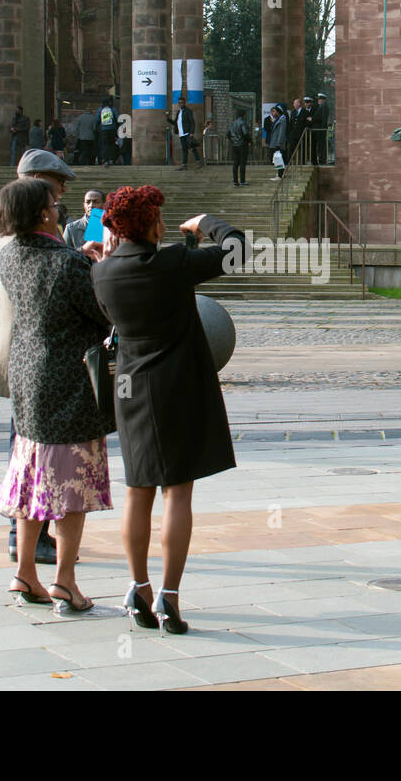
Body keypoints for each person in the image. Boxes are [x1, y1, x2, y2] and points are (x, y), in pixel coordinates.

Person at [91, 186, 247, 635]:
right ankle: (169, 597)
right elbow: (237, 249)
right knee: (177, 492)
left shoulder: (101, 273)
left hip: (131, 389)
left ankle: (137, 585)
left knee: (138, 489)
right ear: (153, 224)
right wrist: (206, 222)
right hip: (178, 387)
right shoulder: (173, 262)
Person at [0, 177, 114, 608]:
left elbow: (50, 277)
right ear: (43, 213)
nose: (59, 209)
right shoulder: (67, 265)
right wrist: (101, 264)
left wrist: (79, 257)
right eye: (54, 205)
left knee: (31, 478)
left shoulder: (11, 255)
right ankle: (64, 580)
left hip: (26, 379)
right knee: (71, 486)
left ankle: (24, 574)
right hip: (68, 382)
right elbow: (103, 314)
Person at [0, 149, 78, 565]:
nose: (59, 199)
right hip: (35, 357)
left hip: (26, 354)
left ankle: (27, 533)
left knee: (27, 444)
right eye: (56, 190)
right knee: (27, 447)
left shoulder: (13, 231)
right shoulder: (20, 238)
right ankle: (23, 533)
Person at [175, 95, 202, 170]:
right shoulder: (178, 112)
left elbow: (192, 122)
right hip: (181, 134)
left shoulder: (188, 111)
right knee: (184, 150)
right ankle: (184, 165)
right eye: (179, 103)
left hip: (187, 133)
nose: (180, 104)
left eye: (181, 103)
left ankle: (198, 162)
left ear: (184, 103)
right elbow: (175, 122)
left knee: (193, 147)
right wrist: (167, 118)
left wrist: (191, 132)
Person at [228, 108, 252, 186]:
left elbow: (228, 134)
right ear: (243, 115)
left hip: (234, 145)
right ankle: (242, 180)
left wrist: (233, 141)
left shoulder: (232, 123)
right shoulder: (242, 123)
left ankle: (235, 180)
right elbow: (245, 133)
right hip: (242, 145)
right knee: (242, 163)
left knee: (235, 163)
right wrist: (249, 141)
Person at [268, 105, 288, 180]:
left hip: (278, 143)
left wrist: (279, 143)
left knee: (279, 158)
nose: (273, 113)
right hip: (275, 142)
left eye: (275, 111)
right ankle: (279, 173)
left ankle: (280, 175)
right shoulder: (278, 119)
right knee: (277, 158)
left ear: (278, 112)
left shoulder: (282, 120)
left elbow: (281, 132)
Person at [97, 96, 118, 165]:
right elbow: (118, 119)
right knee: (112, 144)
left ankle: (105, 160)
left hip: (103, 130)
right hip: (112, 129)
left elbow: (97, 120)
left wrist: (98, 126)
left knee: (104, 145)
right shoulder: (113, 109)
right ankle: (112, 159)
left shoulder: (100, 110)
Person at [311, 93, 330, 165]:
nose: (318, 100)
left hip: (320, 130)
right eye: (318, 99)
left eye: (320, 99)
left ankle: (322, 161)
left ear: (323, 100)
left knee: (322, 146)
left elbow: (324, 119)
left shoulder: (324, 107)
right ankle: (321, 160)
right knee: (320, 146)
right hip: (318, 130)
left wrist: (323, 130)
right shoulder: (321, 107)